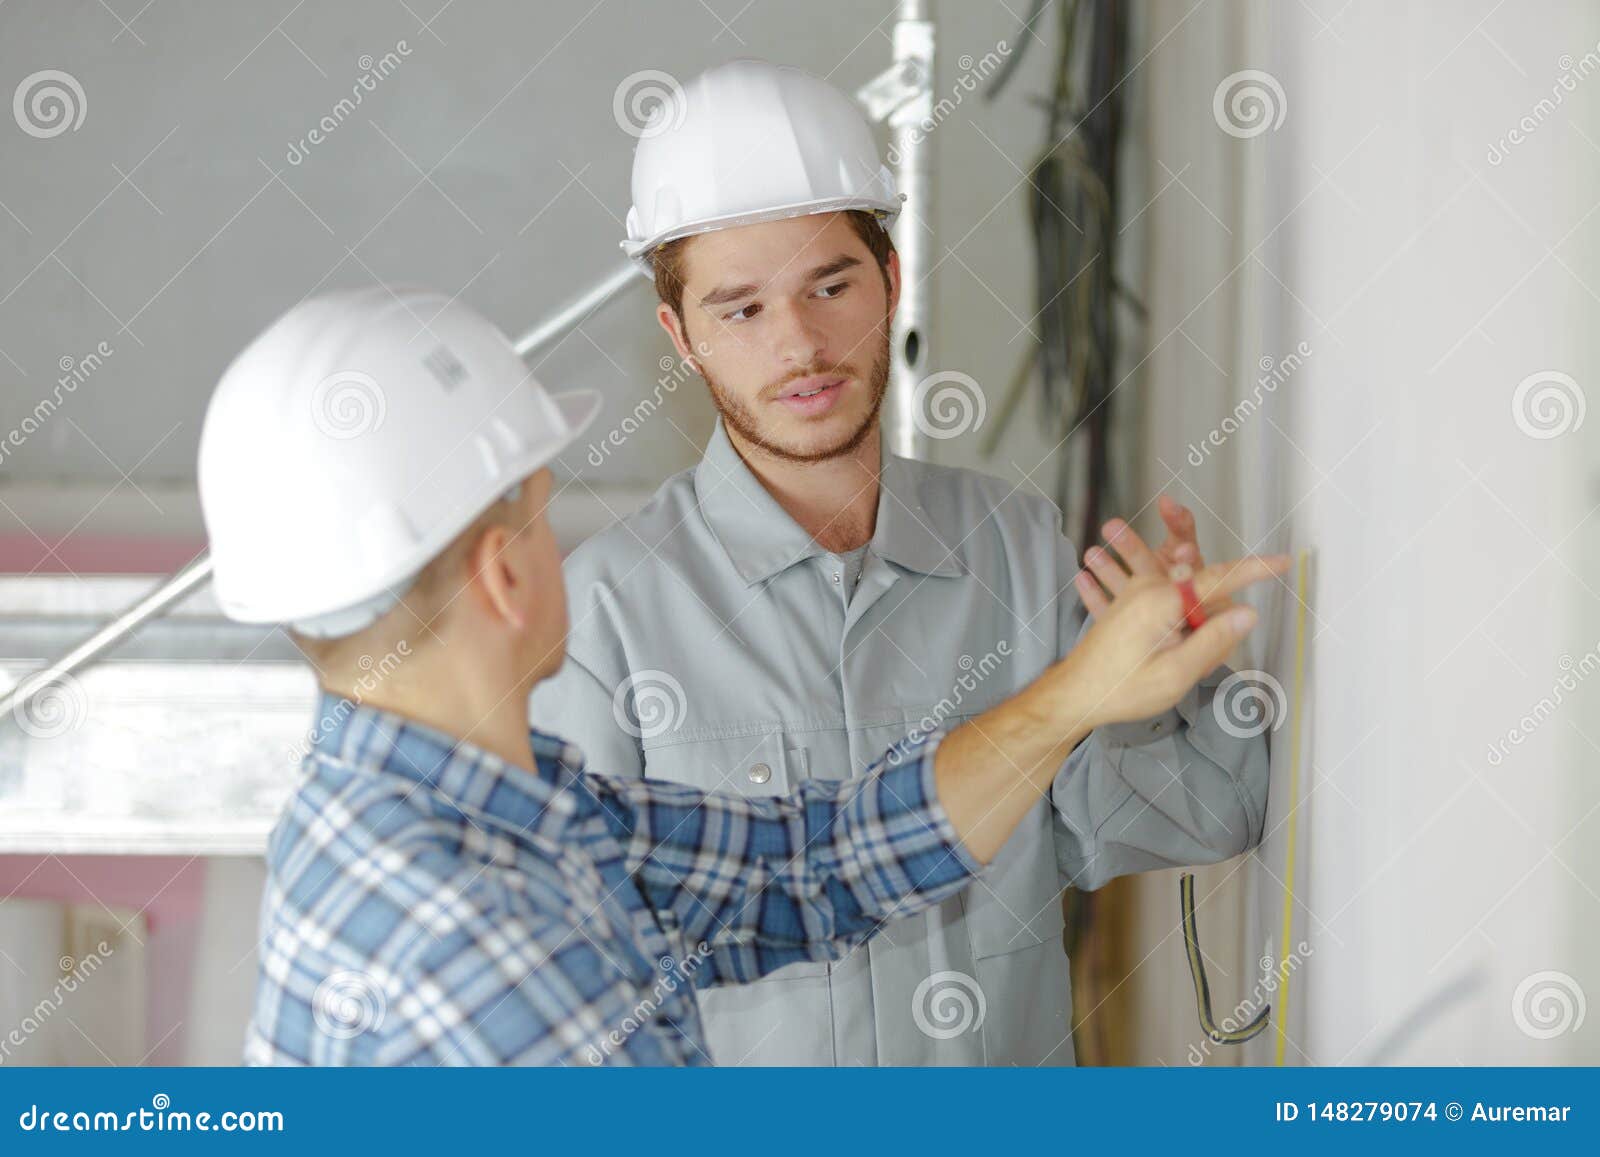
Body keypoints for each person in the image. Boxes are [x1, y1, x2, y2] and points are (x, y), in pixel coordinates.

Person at [198, 286, 1288, 1066]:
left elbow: (812, 863)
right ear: (503, 574)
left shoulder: (476, 811)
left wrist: (1081, 693)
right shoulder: (485, 946)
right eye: (538, 506)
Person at [531, 58, 1278, 1065]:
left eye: (829, 284)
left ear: (889, 279)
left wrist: (1181, 671)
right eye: (740, 309)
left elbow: (1209, 812)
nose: (798, 343)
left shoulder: (1011, 548)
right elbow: (577, 997)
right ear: (681, 337)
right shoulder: (602, 616)